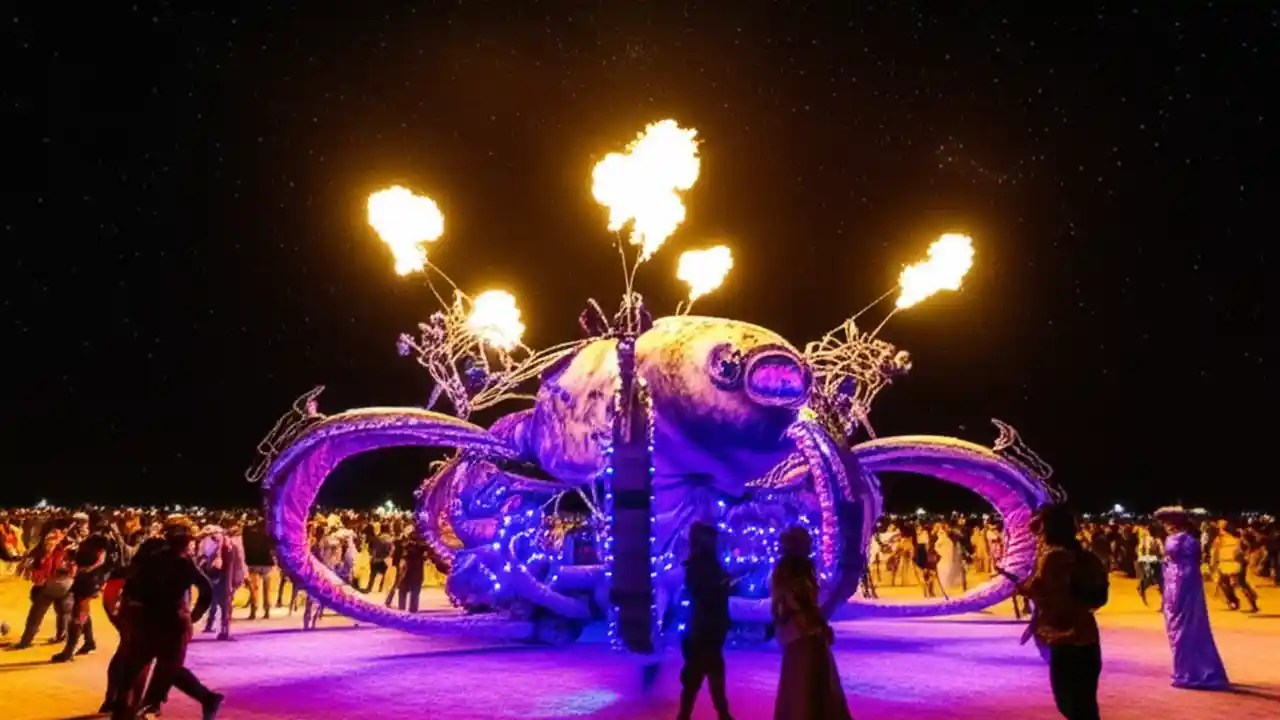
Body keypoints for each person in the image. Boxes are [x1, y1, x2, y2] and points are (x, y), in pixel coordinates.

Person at [115, 517, 223, 720]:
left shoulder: (170, 557)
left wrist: (193, 615)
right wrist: (193, 615)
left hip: (159, 621)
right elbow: (206, 589)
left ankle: (137, 709)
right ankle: (204, 699)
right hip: (165, 620)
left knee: (146, 668)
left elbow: (131, 578)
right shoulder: (176, 558)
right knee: (163, 668)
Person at [1013, 503, 1105, 720]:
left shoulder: (1053, 559)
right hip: (1088, 638)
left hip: (1066, 640)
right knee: (1085, 704)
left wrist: (1023, 587)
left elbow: (1039, 588)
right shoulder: (1085, 556)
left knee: (1071, 704)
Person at [770, 526, 853, 720]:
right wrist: (817, 622)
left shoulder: (803, 570)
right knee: (803, 687)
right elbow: (795, 605)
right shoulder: (787, 573)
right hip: (800, 635)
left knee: (815, 684)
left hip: (808, 634)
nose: (810, 546)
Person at [1154, 506, 1229, 690]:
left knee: (1180, 629)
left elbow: (1173, 565)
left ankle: (1187, 673)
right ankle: (1197, 670)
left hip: (1178, 586)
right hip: (1188, 585)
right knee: (1193, 627)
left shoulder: (1175, 540)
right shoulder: (1191, 539)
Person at [676, 522, 733, 720]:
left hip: (706, 628)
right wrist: (722, 585)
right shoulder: (700, 565)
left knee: (701, 676)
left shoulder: (703, 564)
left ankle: (720, 714)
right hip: (703, 629)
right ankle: (720, 714)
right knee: (701, 675)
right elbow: (702, 594)